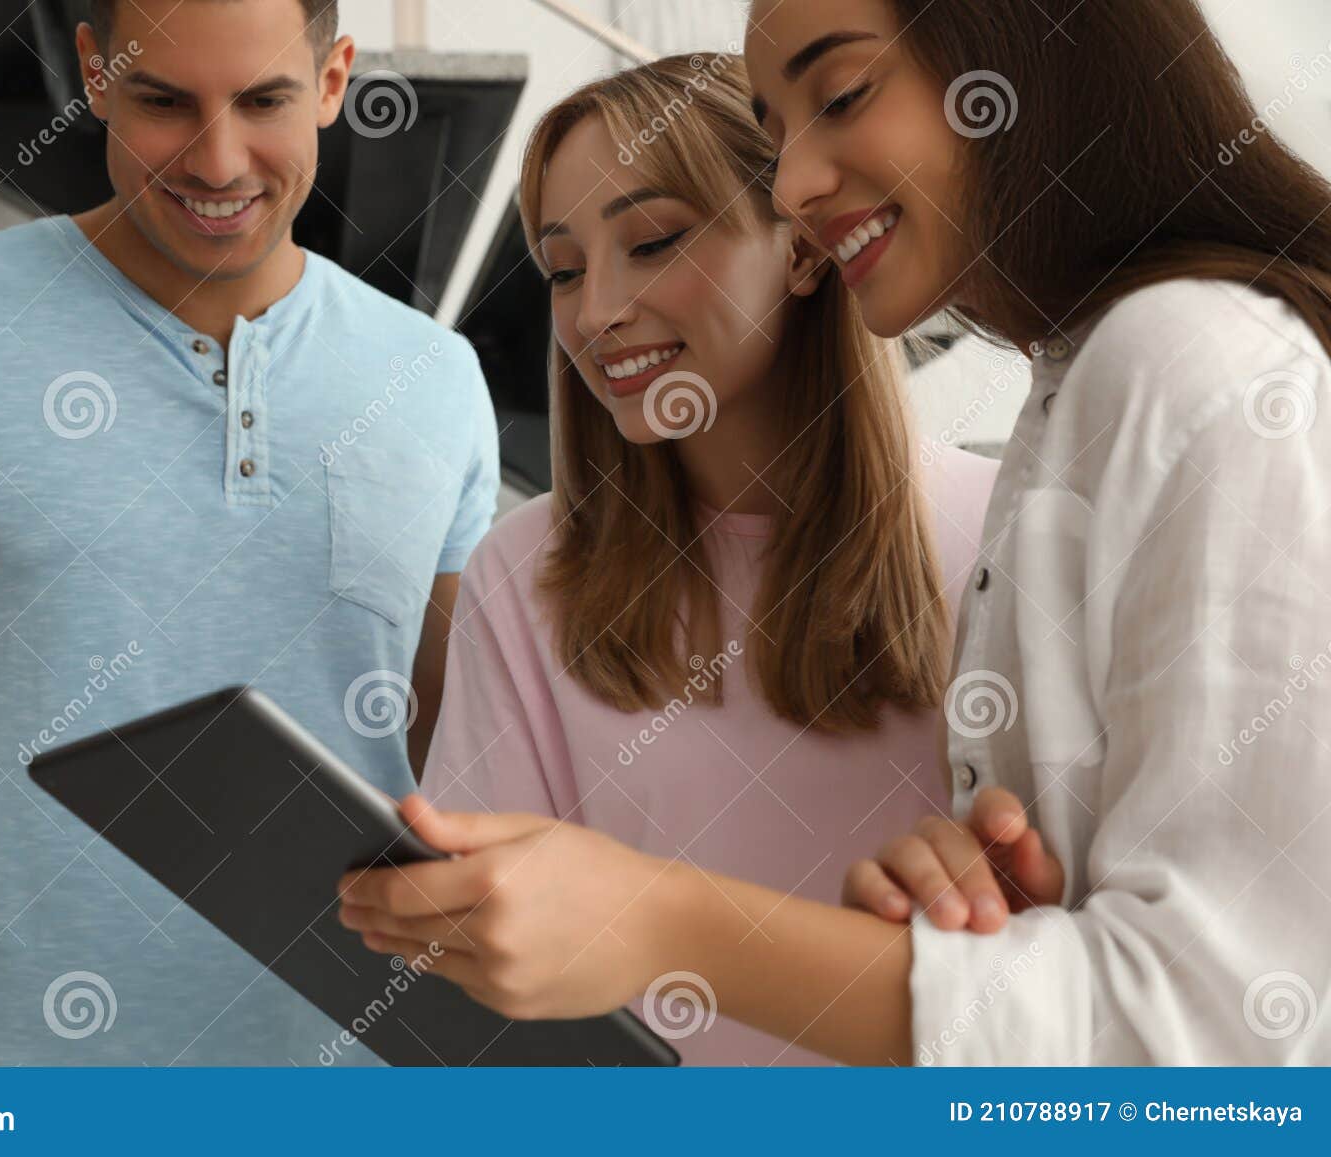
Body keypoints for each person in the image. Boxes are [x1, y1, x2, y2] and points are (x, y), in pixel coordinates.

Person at [337, 0, 1331, 1065]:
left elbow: (1224, 1032)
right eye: (564, 267)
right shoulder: (1075, 392)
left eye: (843, 96)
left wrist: (663, 921)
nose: (798, 183)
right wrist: (983, 923)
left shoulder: (1171, 363)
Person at [0, 0, 498, 1065]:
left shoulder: (435, 378)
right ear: (94, 75)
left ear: (333, 82)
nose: (218, 160)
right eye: (162, 99)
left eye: (265, 99)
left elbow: (463, 771)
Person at [361, 53, 995, 1066]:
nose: (596, 311)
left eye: (652, 242)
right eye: (563, 268)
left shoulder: (1001, 533)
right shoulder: (524, 580)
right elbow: (481, 1007)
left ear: (800, 248)